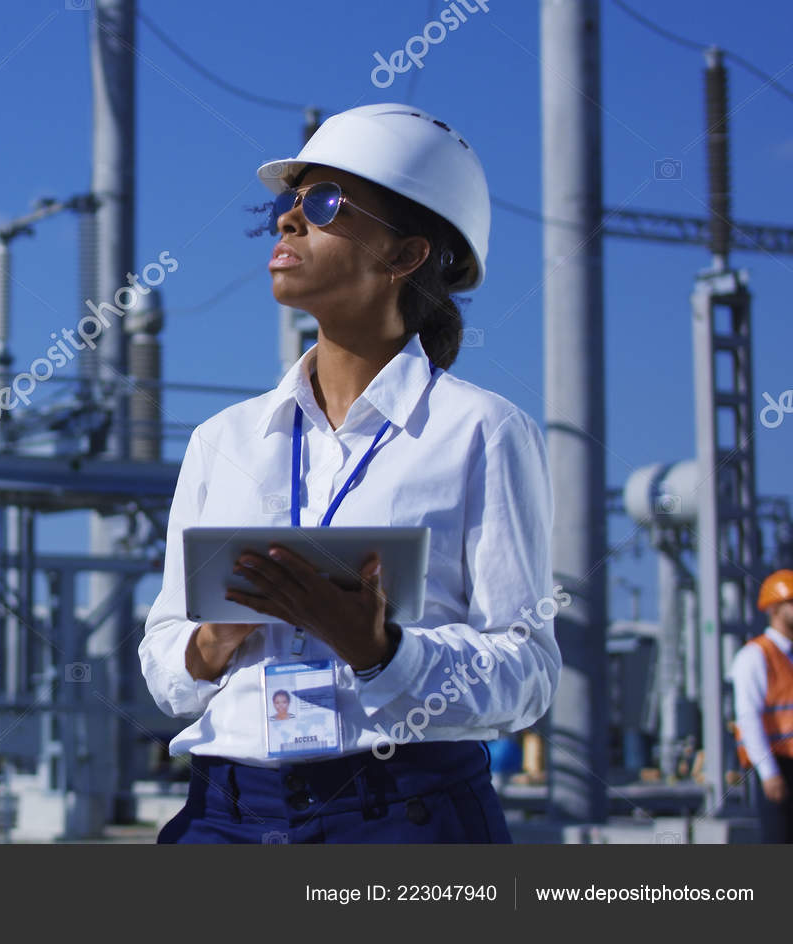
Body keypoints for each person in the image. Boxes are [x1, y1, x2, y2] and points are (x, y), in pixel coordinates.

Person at [140, 104, 560, 844]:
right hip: (227, 811)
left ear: (405, 256)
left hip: (403, 810)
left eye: (324, 203)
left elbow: (526, 669)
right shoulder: (222, 440)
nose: (288, 223)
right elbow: (165, 659)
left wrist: (384, 652)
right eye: (288, 203)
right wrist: (212, 642)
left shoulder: (482, 433)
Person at [731, 570, 793, 843]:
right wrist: (769, 773)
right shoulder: (755, 655)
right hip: (780, 767)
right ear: (776, 608)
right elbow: (749, 719)